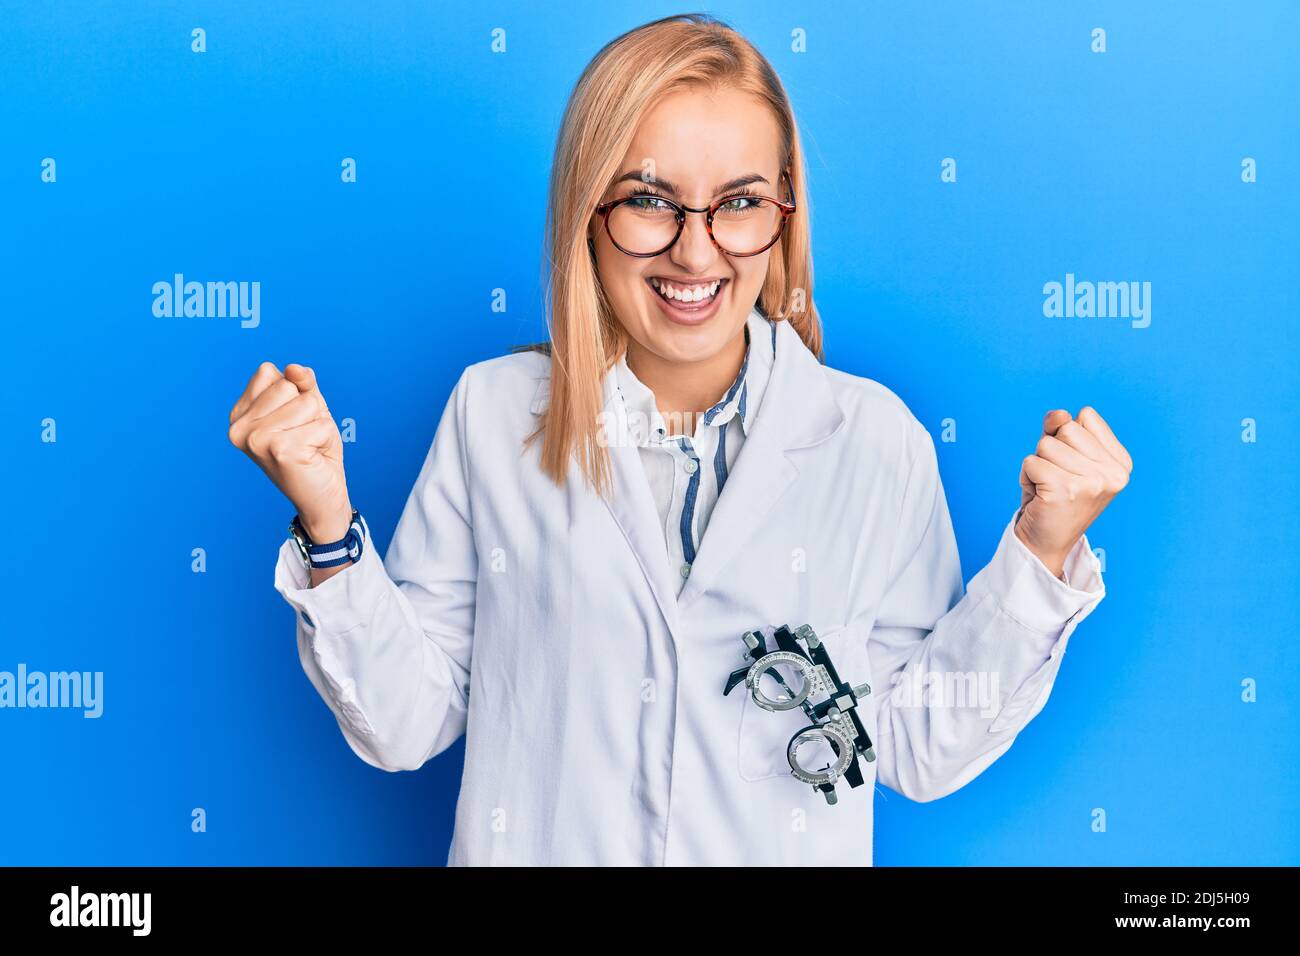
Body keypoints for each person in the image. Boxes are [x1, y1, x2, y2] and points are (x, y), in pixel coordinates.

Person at [226, 13, 1132, 866]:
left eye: (737, 204)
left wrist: (1042, 556)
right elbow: (403, 721)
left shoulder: (872, 441)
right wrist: (328, 522)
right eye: (649, 201)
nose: (696, 255)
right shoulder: (492, 414)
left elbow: (907, 745)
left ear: (782, 218)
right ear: (588, 213)